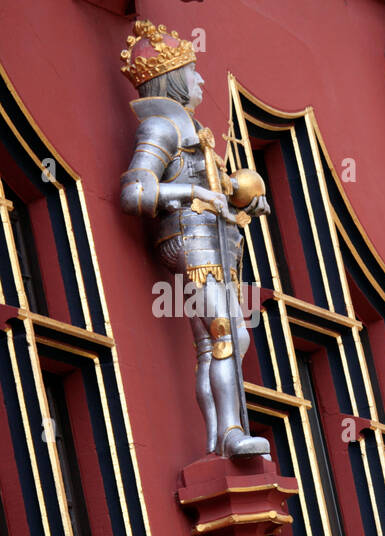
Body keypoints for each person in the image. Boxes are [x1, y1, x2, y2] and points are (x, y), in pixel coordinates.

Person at [119, 20, 270, 459]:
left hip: (215, 242)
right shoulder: (163, 129)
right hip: (190, 242)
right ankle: (230, 433)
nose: (201, 77)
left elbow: (220, 194)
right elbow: (136, 192)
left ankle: (217, 440)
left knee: (217, 340)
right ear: (174, 80)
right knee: (227, 331)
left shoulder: (196, 133)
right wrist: (194, 191)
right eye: (192, 70)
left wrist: (244, 200)